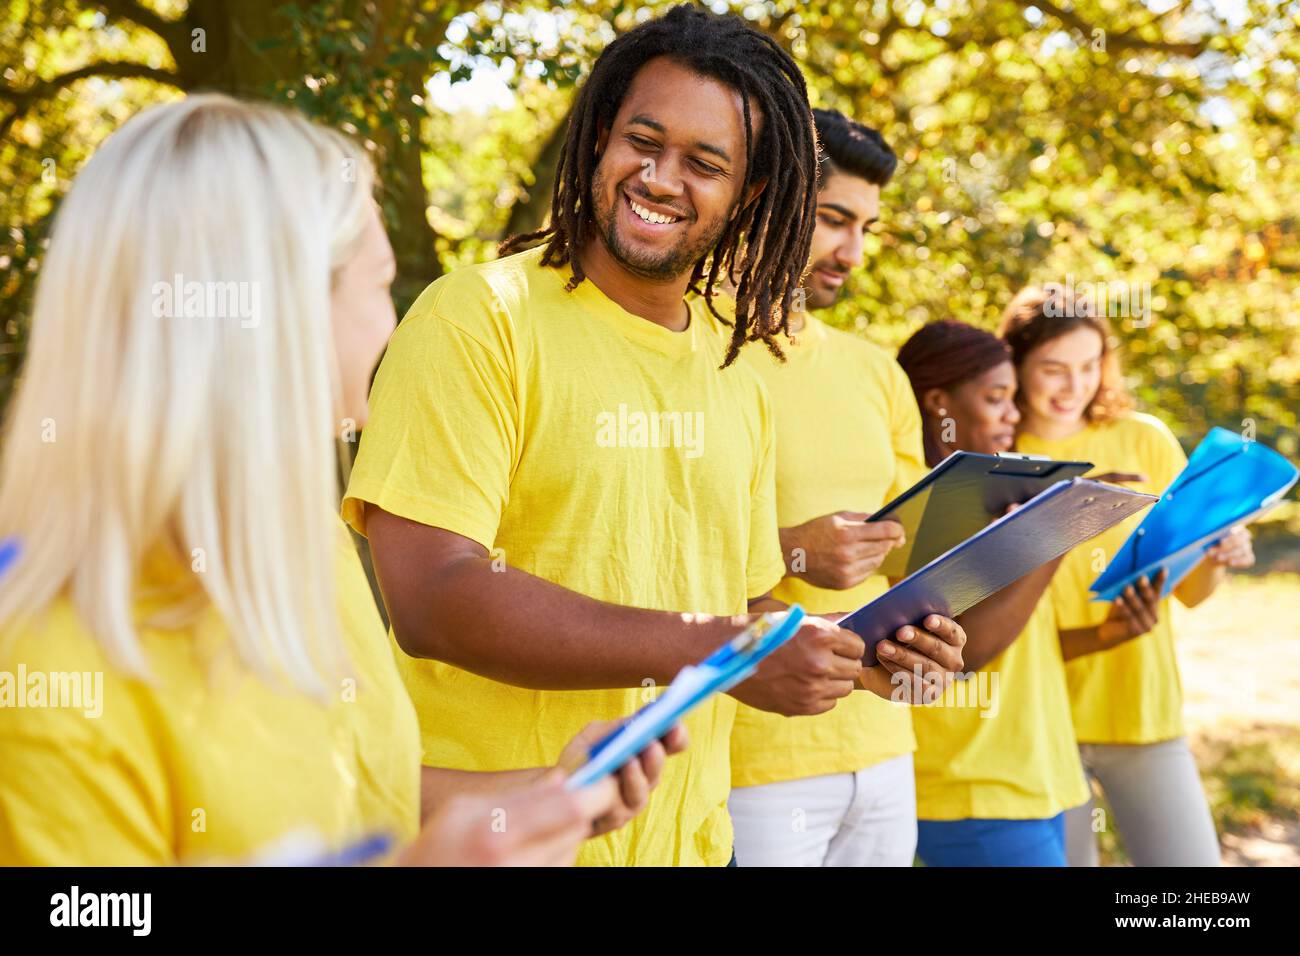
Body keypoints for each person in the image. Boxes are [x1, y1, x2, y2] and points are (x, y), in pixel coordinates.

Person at [345, 6, 964, 867]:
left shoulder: (733, 366)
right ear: (600, 137)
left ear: (749, 194)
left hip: (690, 842)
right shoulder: (480, 318)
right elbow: (434, 597)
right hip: (498, 844)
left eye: (705, 163)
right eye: (644, 141)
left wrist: (853, 653)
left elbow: (740, 603)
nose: (662, 178)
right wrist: (729, 652)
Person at [0, 94, 677, 867]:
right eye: (379, 282)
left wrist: (541, 794)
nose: (392, 323)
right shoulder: (44, 676)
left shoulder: (302, 540)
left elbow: (352, 792)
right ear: (280, 315)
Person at [724, 110, 929, 867]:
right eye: (834, 221)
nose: (854, 252)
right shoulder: (697, 355)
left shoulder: (877, 372)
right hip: (749, 760)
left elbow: (916, 558)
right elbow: (644, 562)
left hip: (881, 747)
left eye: (868, 227)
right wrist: (792, 553)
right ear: (765, 203)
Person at [1002, 286, 1254, 866]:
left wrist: (1214, 556)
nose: (1074, 387)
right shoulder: (999, 451)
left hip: (1139, 707)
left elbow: (1189, 593)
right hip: (1039, 722)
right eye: (1054, 369)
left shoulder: (1143, 438)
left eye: (1089, 366)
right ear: (1015, 365)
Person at [895, 320, 1163, 866]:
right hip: (972, 786)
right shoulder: (925, 504)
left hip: (1040, 776)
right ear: (938, 402)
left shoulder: (999, 494)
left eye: (1014, 398)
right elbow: (968, 653)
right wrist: (1061, 529)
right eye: (997, 399)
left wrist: (1103, 634)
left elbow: (1021, 650)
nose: (1015, 416)